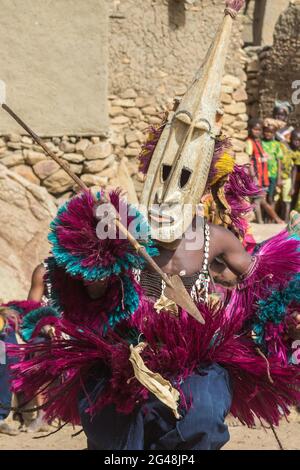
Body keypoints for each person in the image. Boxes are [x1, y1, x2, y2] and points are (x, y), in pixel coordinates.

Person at [7, 1, 300, 451]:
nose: (168, 190)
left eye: (184, 177)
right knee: (112, 439)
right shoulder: (116, 229)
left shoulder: (214, 240)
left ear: (204, 184)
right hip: (118, 357)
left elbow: (259, 288)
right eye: (163, 174)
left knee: (201, 415)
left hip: (194, 362)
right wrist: (67, 302)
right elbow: (57, 279)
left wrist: (282, 319)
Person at [262, 120, 284, 210]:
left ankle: (270, 218)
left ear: (274, 133)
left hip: (273, 175)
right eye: (266, 131)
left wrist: (279, 177)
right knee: (263, 196)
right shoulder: (260, 142)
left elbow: (279, 161)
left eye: (271, 132)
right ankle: (263, 216)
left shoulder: (277, 145)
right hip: (262, 174)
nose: (268, 134)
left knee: (271, 196)